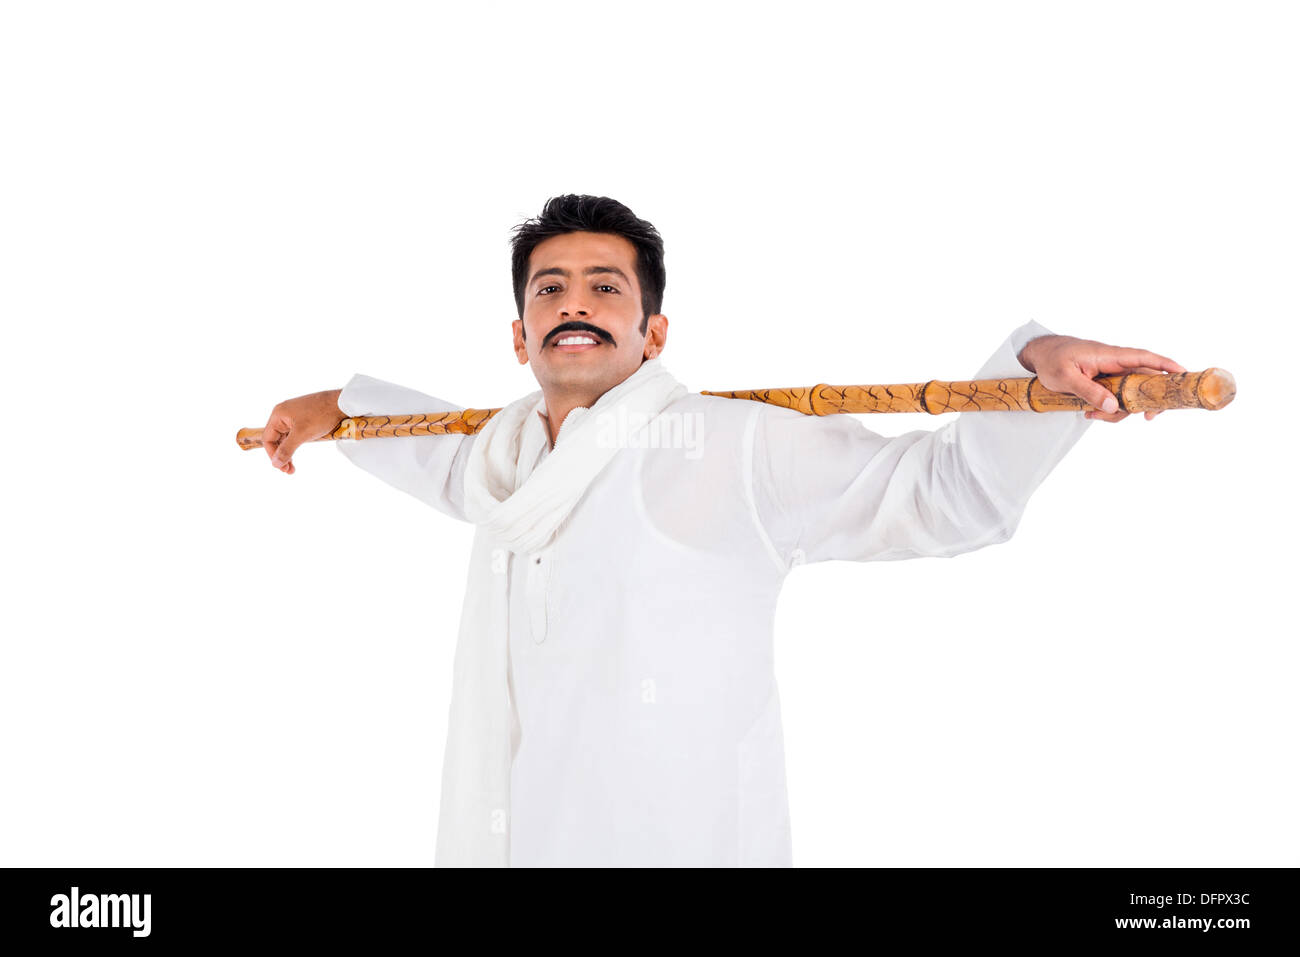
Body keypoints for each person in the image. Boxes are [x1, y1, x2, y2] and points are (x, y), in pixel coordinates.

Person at [260, 194, 1184, 867]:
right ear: (520, 335)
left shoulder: (729, 445)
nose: (574, 303)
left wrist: (1032, 360)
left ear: (653, 332)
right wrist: (325, 408)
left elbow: (949, 494)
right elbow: (405, 439)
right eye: (550, 288)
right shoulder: (500, 464)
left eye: (603, 286)